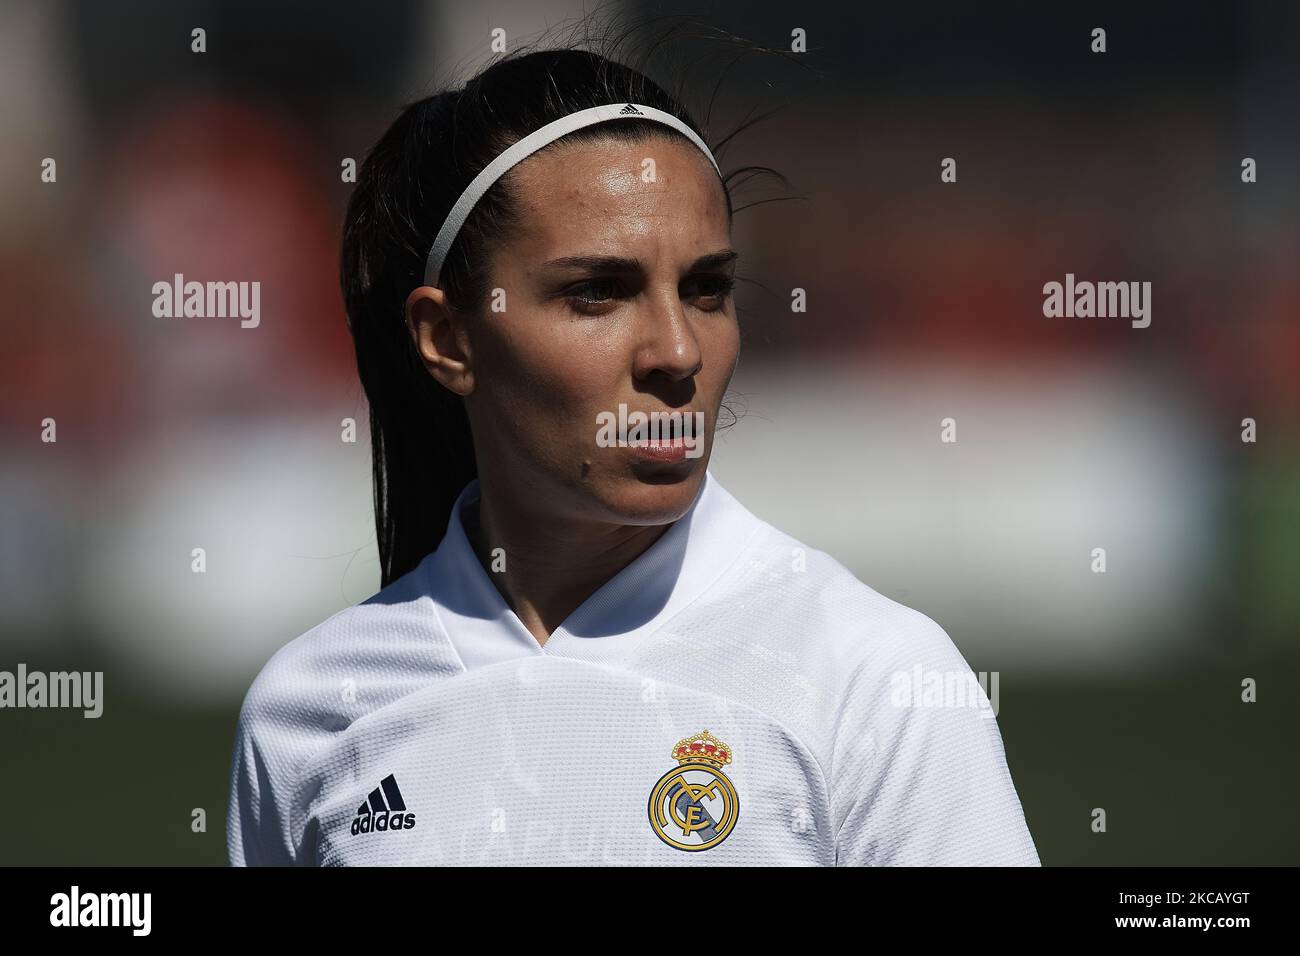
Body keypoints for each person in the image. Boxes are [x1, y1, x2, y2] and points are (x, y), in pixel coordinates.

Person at [226, 35, 1039, 866]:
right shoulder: (313, 709)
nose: (678, 351)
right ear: (448, 339)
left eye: (706, 289)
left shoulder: (871, 676)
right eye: (598, 293)